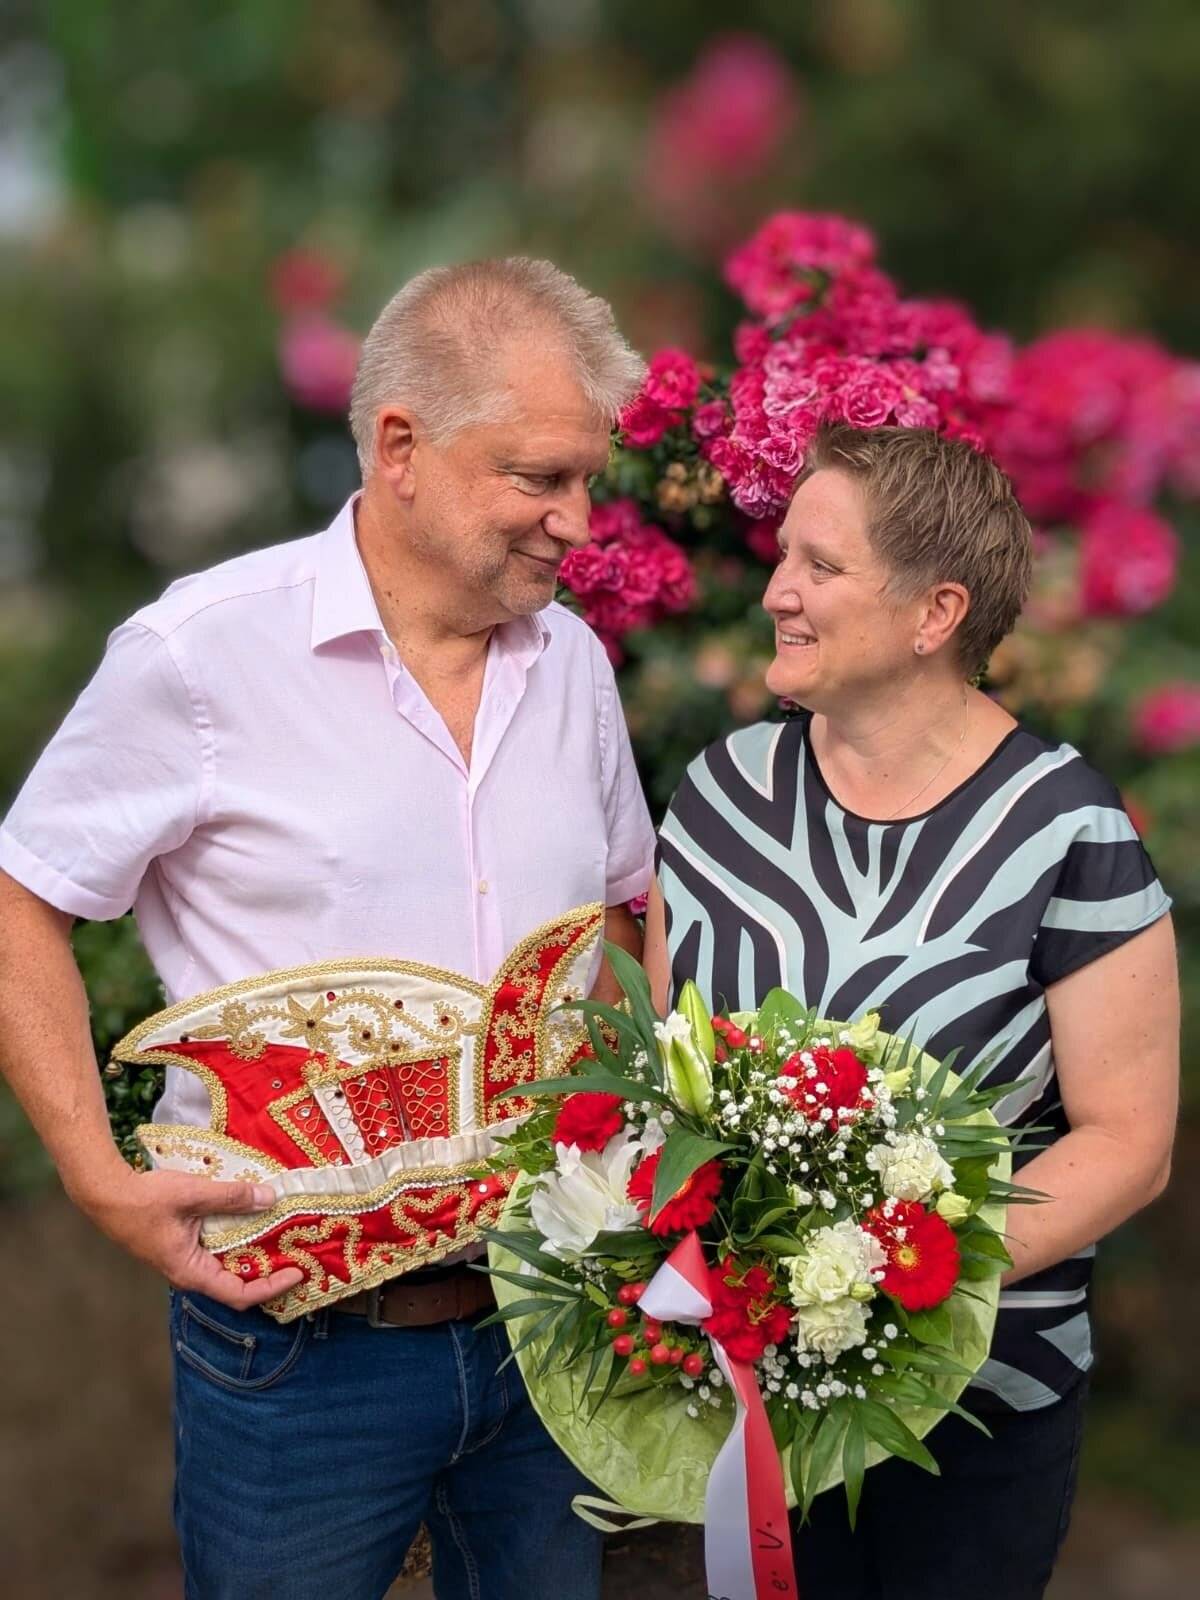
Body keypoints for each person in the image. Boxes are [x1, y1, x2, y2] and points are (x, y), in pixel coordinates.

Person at [0, 257, 656, 1600]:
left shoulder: (577, 664)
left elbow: (623, 922)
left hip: (553, 1327)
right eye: (539, 478)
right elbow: (20, 898)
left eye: (588, 481)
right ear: (400, 447)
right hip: (300, 1349)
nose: (578, 522)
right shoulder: (200, 658)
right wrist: (96, 1174)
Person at [644, 423, 1179, 1600]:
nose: (778, 589)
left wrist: (880, 1280)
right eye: (784, 554)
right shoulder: (722, 794)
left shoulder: (1069, 835)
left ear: (937, 613)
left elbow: (1127, 1145)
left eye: (820, 566)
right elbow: (666, 1065)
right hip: (751, 1394)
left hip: (979, 1406)